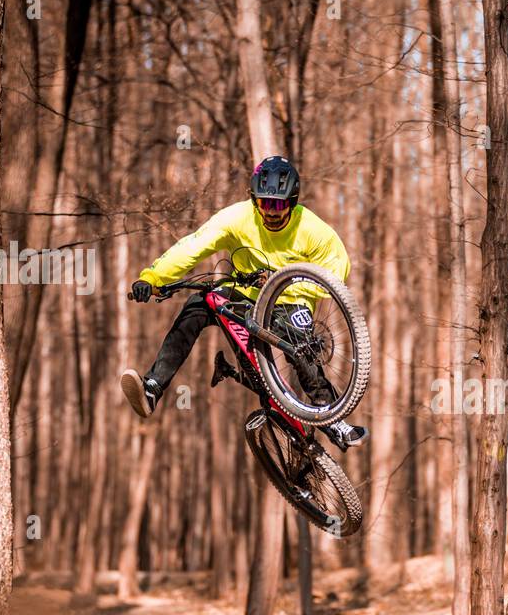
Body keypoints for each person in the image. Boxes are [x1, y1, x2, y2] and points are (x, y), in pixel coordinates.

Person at [119, 155, 367, 448]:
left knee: (298, 342)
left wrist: (284, 280)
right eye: (265, 204)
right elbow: (192, 247)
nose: (272, 212)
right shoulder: (235, 218)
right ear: (254, 201)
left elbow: (337, 273)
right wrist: (153, 278)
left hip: (292, 299)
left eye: (279, 204)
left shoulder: (312, 229)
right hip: (244, 293)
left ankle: (331, 417)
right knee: (197, 306)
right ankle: (152, 388)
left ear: (293, 201)